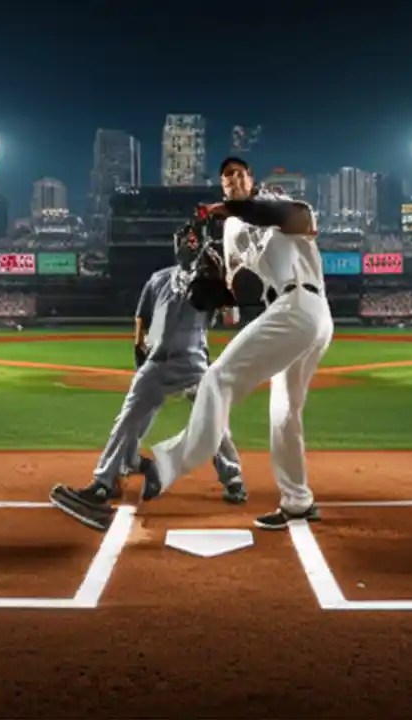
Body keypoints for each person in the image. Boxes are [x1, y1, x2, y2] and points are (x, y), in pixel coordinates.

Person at [135, 156, 335, 531]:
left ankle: (166, 466)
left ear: (251, 180)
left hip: (304, 307)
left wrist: (221, 209)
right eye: (227, 175)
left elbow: (281, 215)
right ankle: (297, 501)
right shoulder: (229, 230)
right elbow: (233, 295)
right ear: (221, 183)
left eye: (241, 173)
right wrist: (199, 272)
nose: (235, 177)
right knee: (285, 412)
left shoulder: (278, 204)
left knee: (217, 380)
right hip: (289, 313)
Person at [49, 227, 247, 531]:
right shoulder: (158, 279)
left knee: (213, 419)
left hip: (194, 362)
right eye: (183, 240)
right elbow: (142, 316)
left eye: (193, 241)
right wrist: (139, 347)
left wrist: (225, 280)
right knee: (128, 418)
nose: (187, 245)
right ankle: (105, 482)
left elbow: (232, 318)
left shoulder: (210, 280)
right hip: (157, 362)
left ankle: (232, 477)